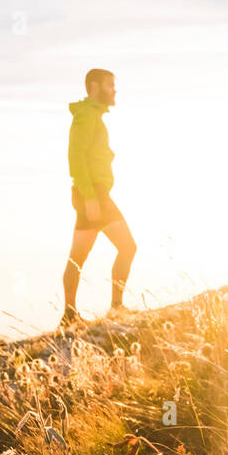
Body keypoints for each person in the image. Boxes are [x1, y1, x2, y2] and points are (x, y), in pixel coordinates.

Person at [60, 68, 136, 327]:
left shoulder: (92, 116)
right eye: (109, 85)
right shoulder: (87, 117)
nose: (114, 90)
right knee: (127, 247)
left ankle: (70, 314)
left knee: (79, 256)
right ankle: (115, 307)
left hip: (91, 193)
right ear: (94, 87)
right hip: (92, 194)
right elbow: (76, 156)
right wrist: (91, 198)